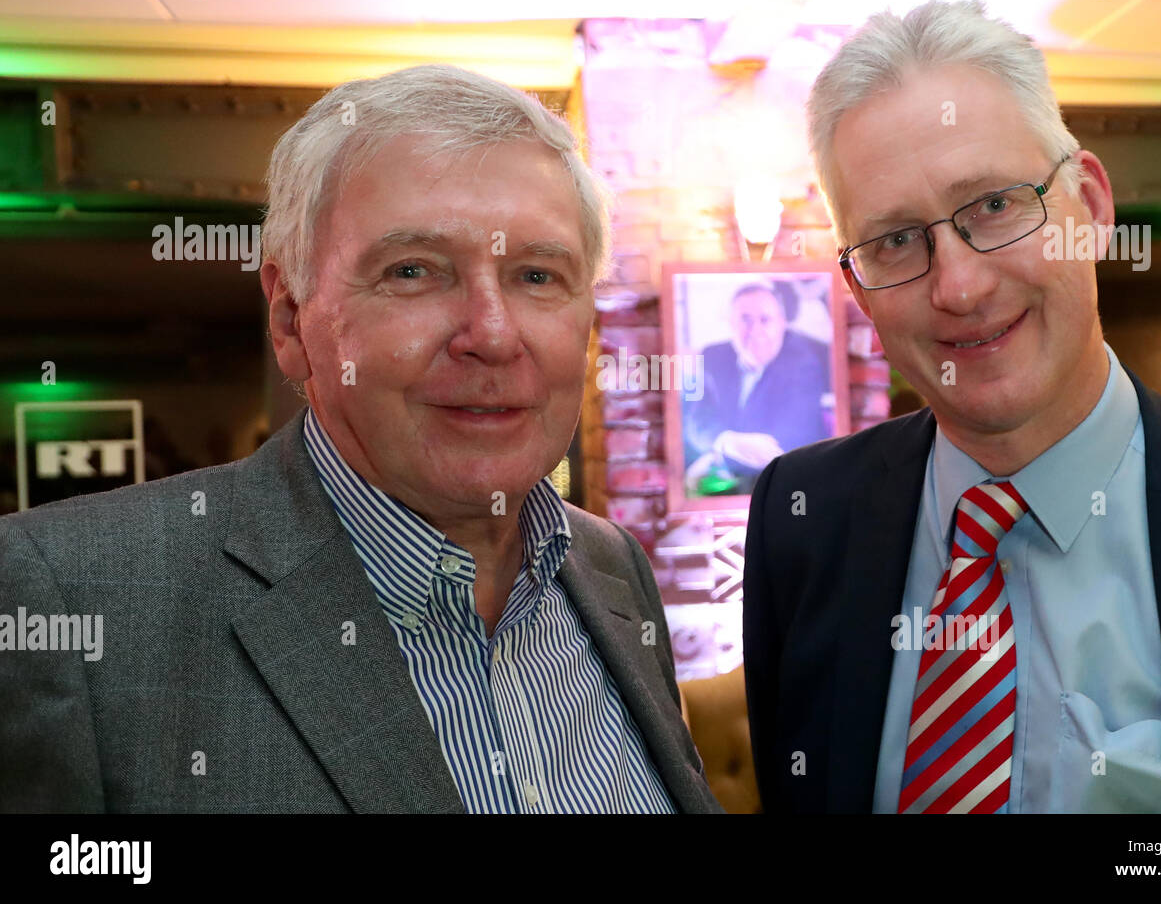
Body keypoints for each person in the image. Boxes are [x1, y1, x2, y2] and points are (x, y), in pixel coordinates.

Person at [0, 65, 720, 814]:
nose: (495, 335)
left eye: (537, 276)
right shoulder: (71, 602)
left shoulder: (611, 569)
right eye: (413, 271)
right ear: (289, 321)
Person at [743, 0, 1161, 813]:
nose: (959, 286)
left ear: (1093, 206)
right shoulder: (802, 519)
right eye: (896, 239)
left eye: (995, 206)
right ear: (858, 290)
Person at [684, 281, 832, 496]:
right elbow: (695, 420)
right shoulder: (711, 356)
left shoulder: (804, 362)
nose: (755, 330)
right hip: (725, 473)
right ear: (731, 323)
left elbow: (792, 434)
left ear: (782, 323)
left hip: (789, 482)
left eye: (765, 320)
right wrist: (726, 441)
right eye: (745, 319)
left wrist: (725, 451)